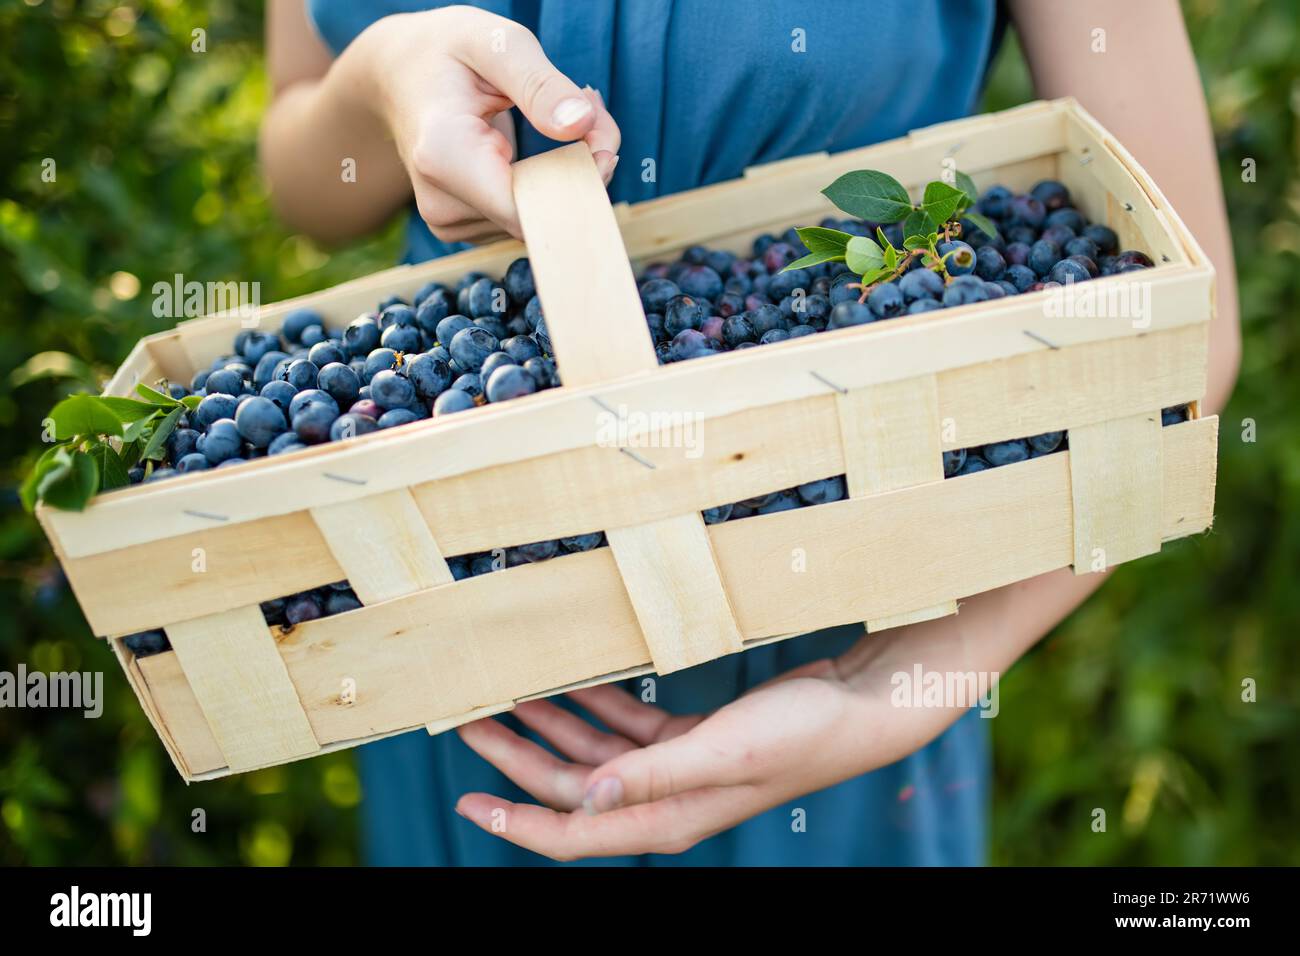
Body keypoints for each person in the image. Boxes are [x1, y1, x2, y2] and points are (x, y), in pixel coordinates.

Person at [260, 0, 1240, 865]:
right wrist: (382, 78)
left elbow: (1180, 340)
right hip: (459, 597)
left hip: (851, 611)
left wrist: (886, 684)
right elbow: (305, 178)